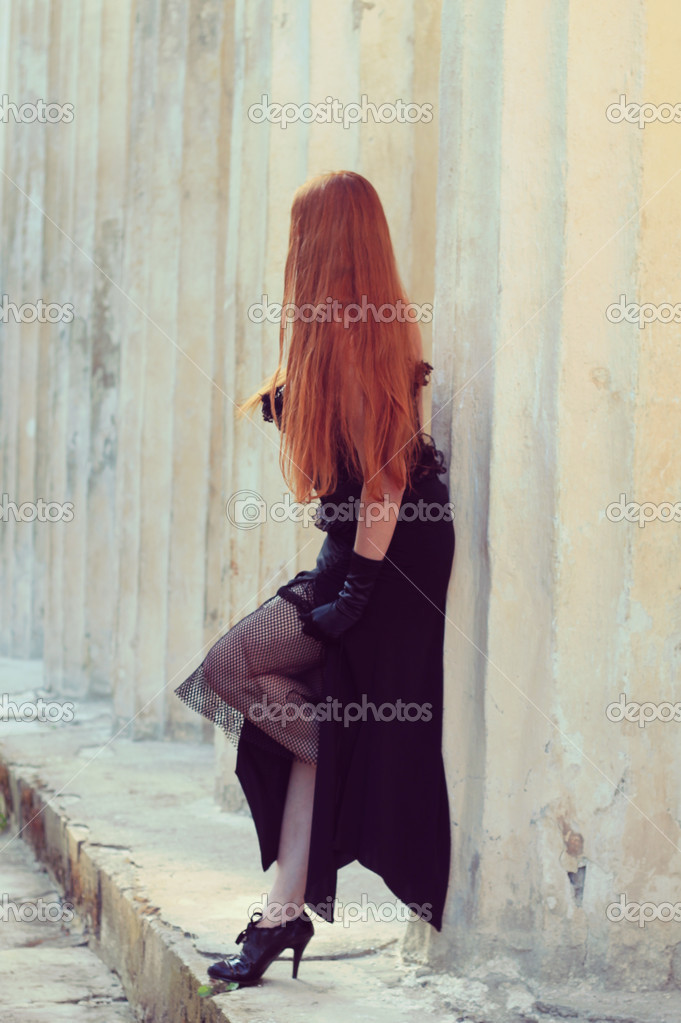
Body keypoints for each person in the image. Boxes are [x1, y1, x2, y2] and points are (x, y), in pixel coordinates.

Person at [174, 170, 455, 987]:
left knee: (231, 667)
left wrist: (356, 592)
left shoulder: (362, 331)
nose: (291, 250)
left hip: (387, 555)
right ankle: (281, 910)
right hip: (364, 545)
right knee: (297, 711)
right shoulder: (338, 331)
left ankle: (289, 893)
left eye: (300, 233)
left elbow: (387, 481)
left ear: (323, 242)